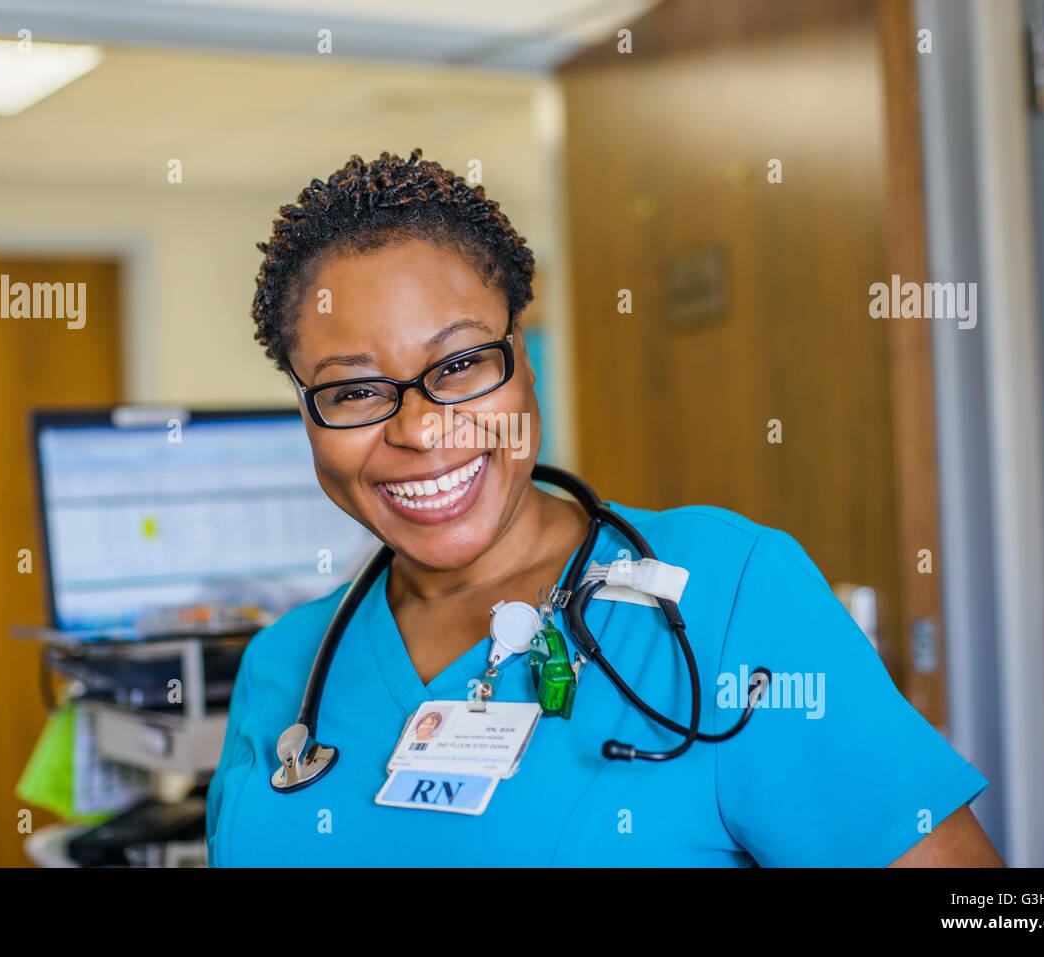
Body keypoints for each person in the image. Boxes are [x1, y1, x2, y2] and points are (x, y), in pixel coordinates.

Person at [205, 148, 1002, 867]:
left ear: (524, 362)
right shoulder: (284, 664)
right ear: (308, 413)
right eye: (354, 389)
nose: (419, 428)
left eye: (460, 364)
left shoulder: (727, 593)